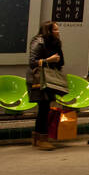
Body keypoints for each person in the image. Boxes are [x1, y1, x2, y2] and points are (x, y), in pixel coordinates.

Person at [27, 20, 64, 151]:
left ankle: (39, 138)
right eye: (55, 29)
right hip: (38, 80)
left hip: (50, 79)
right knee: (43, 109)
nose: (58, 32)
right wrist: (49, 60)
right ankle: (41, 139)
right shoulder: (38, 41)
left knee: (45, 109)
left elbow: (61, 61)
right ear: (48, 31)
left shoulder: (55, 43)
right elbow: (32, 63)